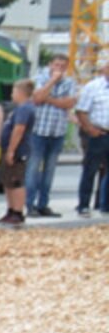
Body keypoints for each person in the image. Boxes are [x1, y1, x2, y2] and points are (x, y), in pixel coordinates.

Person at [23, 54, 76, 217]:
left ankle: (43, 204)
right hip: (39, 131)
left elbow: (70, 103)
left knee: (50, 170)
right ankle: (29, 204)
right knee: (33, 169)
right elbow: (37, 98)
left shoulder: (70, 82)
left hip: (57, 132)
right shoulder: (39, 78)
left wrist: (49, 99)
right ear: (50, 65)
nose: (59, 69)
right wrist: (52, 81)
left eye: (62, 66)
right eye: (56, 65)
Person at [0, 78, 36, 228]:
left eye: (13, 91)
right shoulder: (20, 108)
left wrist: (11, 150)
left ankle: (17, 212)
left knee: (16, 180)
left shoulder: (25, 109)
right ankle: (11, 210)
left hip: (18, 150)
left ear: (20, 92)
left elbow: (19, 129)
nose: (12, 94)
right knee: (8, 180)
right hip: (10, 148)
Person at [72, 57, 109, 215]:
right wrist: (90, 129)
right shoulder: (93, 87)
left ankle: (105, 205)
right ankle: (84, 205)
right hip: (98, 133)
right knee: (90, 170)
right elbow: (81, 110)